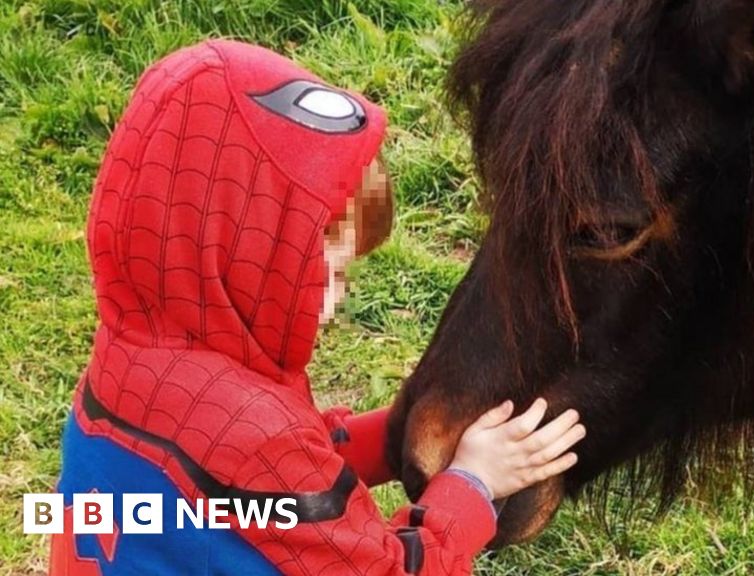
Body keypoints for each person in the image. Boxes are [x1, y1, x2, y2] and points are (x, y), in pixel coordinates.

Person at [49, 40, 585, 576]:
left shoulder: (128, 365)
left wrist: (395, 434)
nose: (339, 295)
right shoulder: (250, 430)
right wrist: (472, 484)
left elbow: (249, 501)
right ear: (239, 253)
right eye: (327, 271)